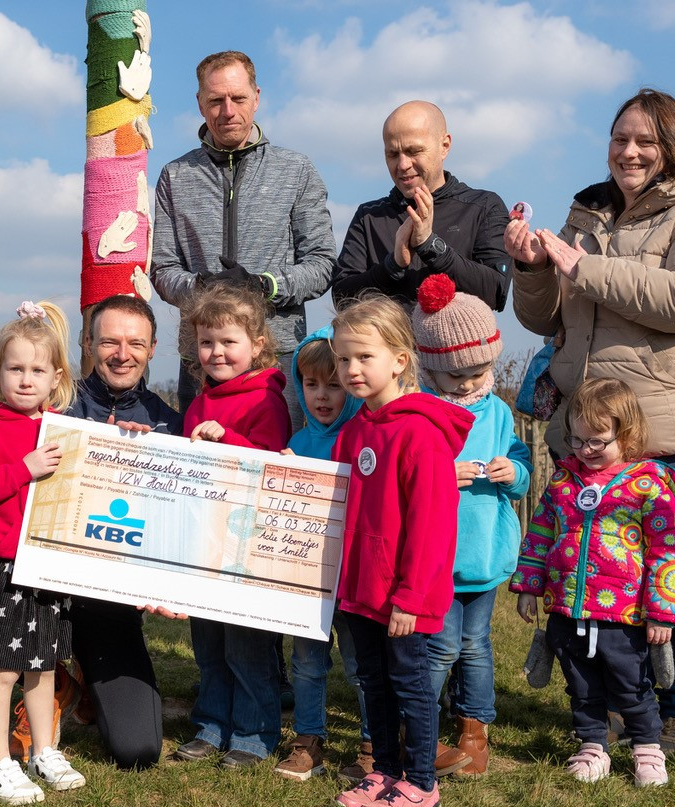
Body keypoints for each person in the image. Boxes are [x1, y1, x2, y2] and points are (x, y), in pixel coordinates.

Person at [507, 88, 675, 758]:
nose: (629, 152)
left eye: (645, 141)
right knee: (601, 568)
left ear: (673, 147)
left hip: (671, 432)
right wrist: (532, 266)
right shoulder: (589, 210)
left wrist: (589, 266)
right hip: (594, 432)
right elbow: (547, 319)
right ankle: (611, 703)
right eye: (619, 139)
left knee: (674, 568)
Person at [328, 295, 473, 807]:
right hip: (362, 592)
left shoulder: (421, 434)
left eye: (364, 357)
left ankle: (421, 782)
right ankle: (385, 770)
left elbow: (433, 527)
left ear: (399, 359)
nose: (351, 369)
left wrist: (410, 596)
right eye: (344, 359)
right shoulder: (355, 429)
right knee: (373, 683)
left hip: (404, 599)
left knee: (411, 686)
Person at [510, 378, 675, 787]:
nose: (584, 450)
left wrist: (662, 611)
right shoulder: (562, 484)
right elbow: (540, 534)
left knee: (632, 686)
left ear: (626, 435)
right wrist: (528, 586)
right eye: (576, 439)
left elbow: (669, 551)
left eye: (597, 441)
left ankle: (647, 749)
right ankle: (592, 745)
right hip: (567, 608)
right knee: (581, 684)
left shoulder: (650, 487)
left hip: (622, 615)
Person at [152, 49, 336, 426]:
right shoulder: (175, 175)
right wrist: (202, 287)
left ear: (257, 97)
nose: (228, 111)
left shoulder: (296, 170)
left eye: (238, 98)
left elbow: (321, 263)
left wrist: (263, 286)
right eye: (216, 100)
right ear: (200, 104)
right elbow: (161, 267)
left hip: (280, 355)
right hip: (201, 358)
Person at [0, 300, 84, 805]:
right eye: (15, 368)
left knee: (45, 664)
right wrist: (22, 468)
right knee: (2, 668)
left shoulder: (62, 429)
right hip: (1, 567)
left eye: (37, 370)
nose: (25, 380)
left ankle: (43, 751)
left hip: (46, 563)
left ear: (56, 377)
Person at [409, 273, 532, 779]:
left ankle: (475, 729)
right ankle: (419, 728)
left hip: (482, 551)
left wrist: (514, 472)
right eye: (456, 374)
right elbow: (406, 474)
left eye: (478, 371)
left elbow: (522, 468)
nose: (468, 383)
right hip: (436, 557)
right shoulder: (419, 412)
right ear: (430, 368)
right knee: (440, 647)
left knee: (476, 645)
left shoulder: (499, 413)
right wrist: (440, 475)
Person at [61, 294, 183, 770]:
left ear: (153, 349)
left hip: (109, 604)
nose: (122, 353)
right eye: (109, 341)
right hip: (42, 593)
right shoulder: (54, 404)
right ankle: (51, 676)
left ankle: (86, 677)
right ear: (89, 345)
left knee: (138, 750)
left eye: (135, 342)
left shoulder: (169, 425)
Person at [172, 284, 292, 769]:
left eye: (228, 341)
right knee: (210, 645)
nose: (216, 352)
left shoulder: (267, 398)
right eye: (206, 342)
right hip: (205, 539)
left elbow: (273, 466)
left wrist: (230, 439)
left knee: (248, 647)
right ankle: (211, 725)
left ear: (257, 343)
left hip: (247, 542)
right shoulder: (201, 400)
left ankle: (254, 733)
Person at [272, 327, 368, 783]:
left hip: (353, 579)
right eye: (311, 385)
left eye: (334, 384)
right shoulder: (298, 441)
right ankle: (309, 739)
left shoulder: (365, 438)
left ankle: (373, 743)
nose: (322, 396)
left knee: (359, 663)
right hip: (306, 577)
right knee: (307, 662)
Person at [330, 101, 510, 312]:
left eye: (413, 151)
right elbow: (342, 299)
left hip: (458, 345)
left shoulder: (483, 207)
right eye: (392, 154)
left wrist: (430, 245)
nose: (403, 165)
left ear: (444, 146)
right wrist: (392, 266)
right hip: (389, 345)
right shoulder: (369, 217)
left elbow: (496, 292)